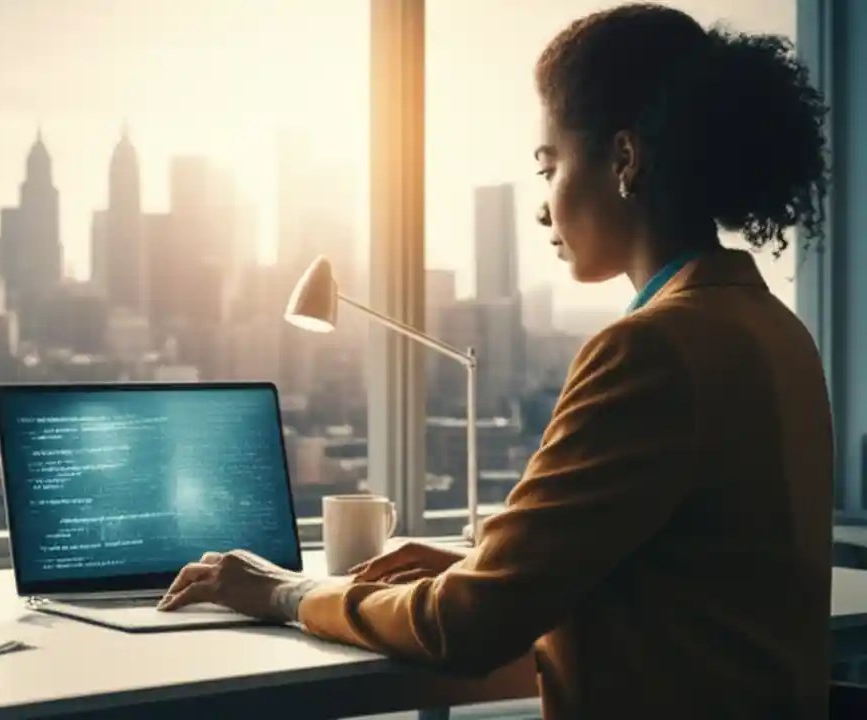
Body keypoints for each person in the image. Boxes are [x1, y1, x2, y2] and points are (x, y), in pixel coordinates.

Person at [157, 4, 832, 718]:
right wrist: (489, 569)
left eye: (550, 167)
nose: (544, 209)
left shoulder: (650, 350)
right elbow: (689, 578)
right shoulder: (774, 330)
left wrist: (284, 593)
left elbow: (463, 628)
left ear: (625, 160)